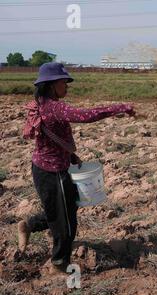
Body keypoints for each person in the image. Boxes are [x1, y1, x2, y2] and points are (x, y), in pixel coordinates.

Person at [18, 62, 135, 274]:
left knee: (65, 210)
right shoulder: (54, 107)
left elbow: (52, 136)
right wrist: (120, 108)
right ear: (52, 84)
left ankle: (29, 225)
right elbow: (86, 115)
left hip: (47, 168)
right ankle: (59, 264)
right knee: (66, 225)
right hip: (52, 173)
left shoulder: (42, 103)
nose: (67, 86)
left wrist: (71, 155)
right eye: (64, 82)